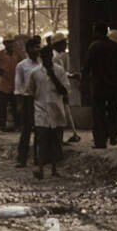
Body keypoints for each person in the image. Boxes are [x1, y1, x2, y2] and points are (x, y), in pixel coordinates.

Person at [27, 44, 69, 178]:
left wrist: (53, 77)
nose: (48, 59)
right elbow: (31, 92)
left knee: (56, 141)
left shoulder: (59, 71)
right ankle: (40, 168)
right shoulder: (35, 73)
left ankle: (54, 168)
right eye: (45, 57)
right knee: (42, 140)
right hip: (41, 110)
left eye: (50, 56)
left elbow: (65, 90)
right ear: (42, 57)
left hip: (56, 109)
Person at [82, 21, 117, 149]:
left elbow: (86, 67)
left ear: (97, 32)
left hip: (98, 86)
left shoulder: (94, 47)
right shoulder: (116, 47)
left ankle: (100, 141)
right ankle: (113, 136)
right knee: (113, 111)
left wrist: (83, 82)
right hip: (114, 86)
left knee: (98, 113)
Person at [14, 36, 42, 167]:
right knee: (26, 130)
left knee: (39, 129)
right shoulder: (22, 66)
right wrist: (19, 104)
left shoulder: (42, 64)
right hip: (27, 99)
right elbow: (18, 86)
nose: (38, 49)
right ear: (29, 49)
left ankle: (38, 158)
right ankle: (22, 158)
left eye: (38, 46)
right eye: (35, 47)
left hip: (40, 99)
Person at [51, 31, 80, 142]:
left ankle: (65, 136)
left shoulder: (58, 56)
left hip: (60, 88)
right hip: (58, 89)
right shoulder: (55, 57)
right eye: (64, 43)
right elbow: (59, 74)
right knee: (60, 113)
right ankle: (59, 138)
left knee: (62, 112)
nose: (65, 45)